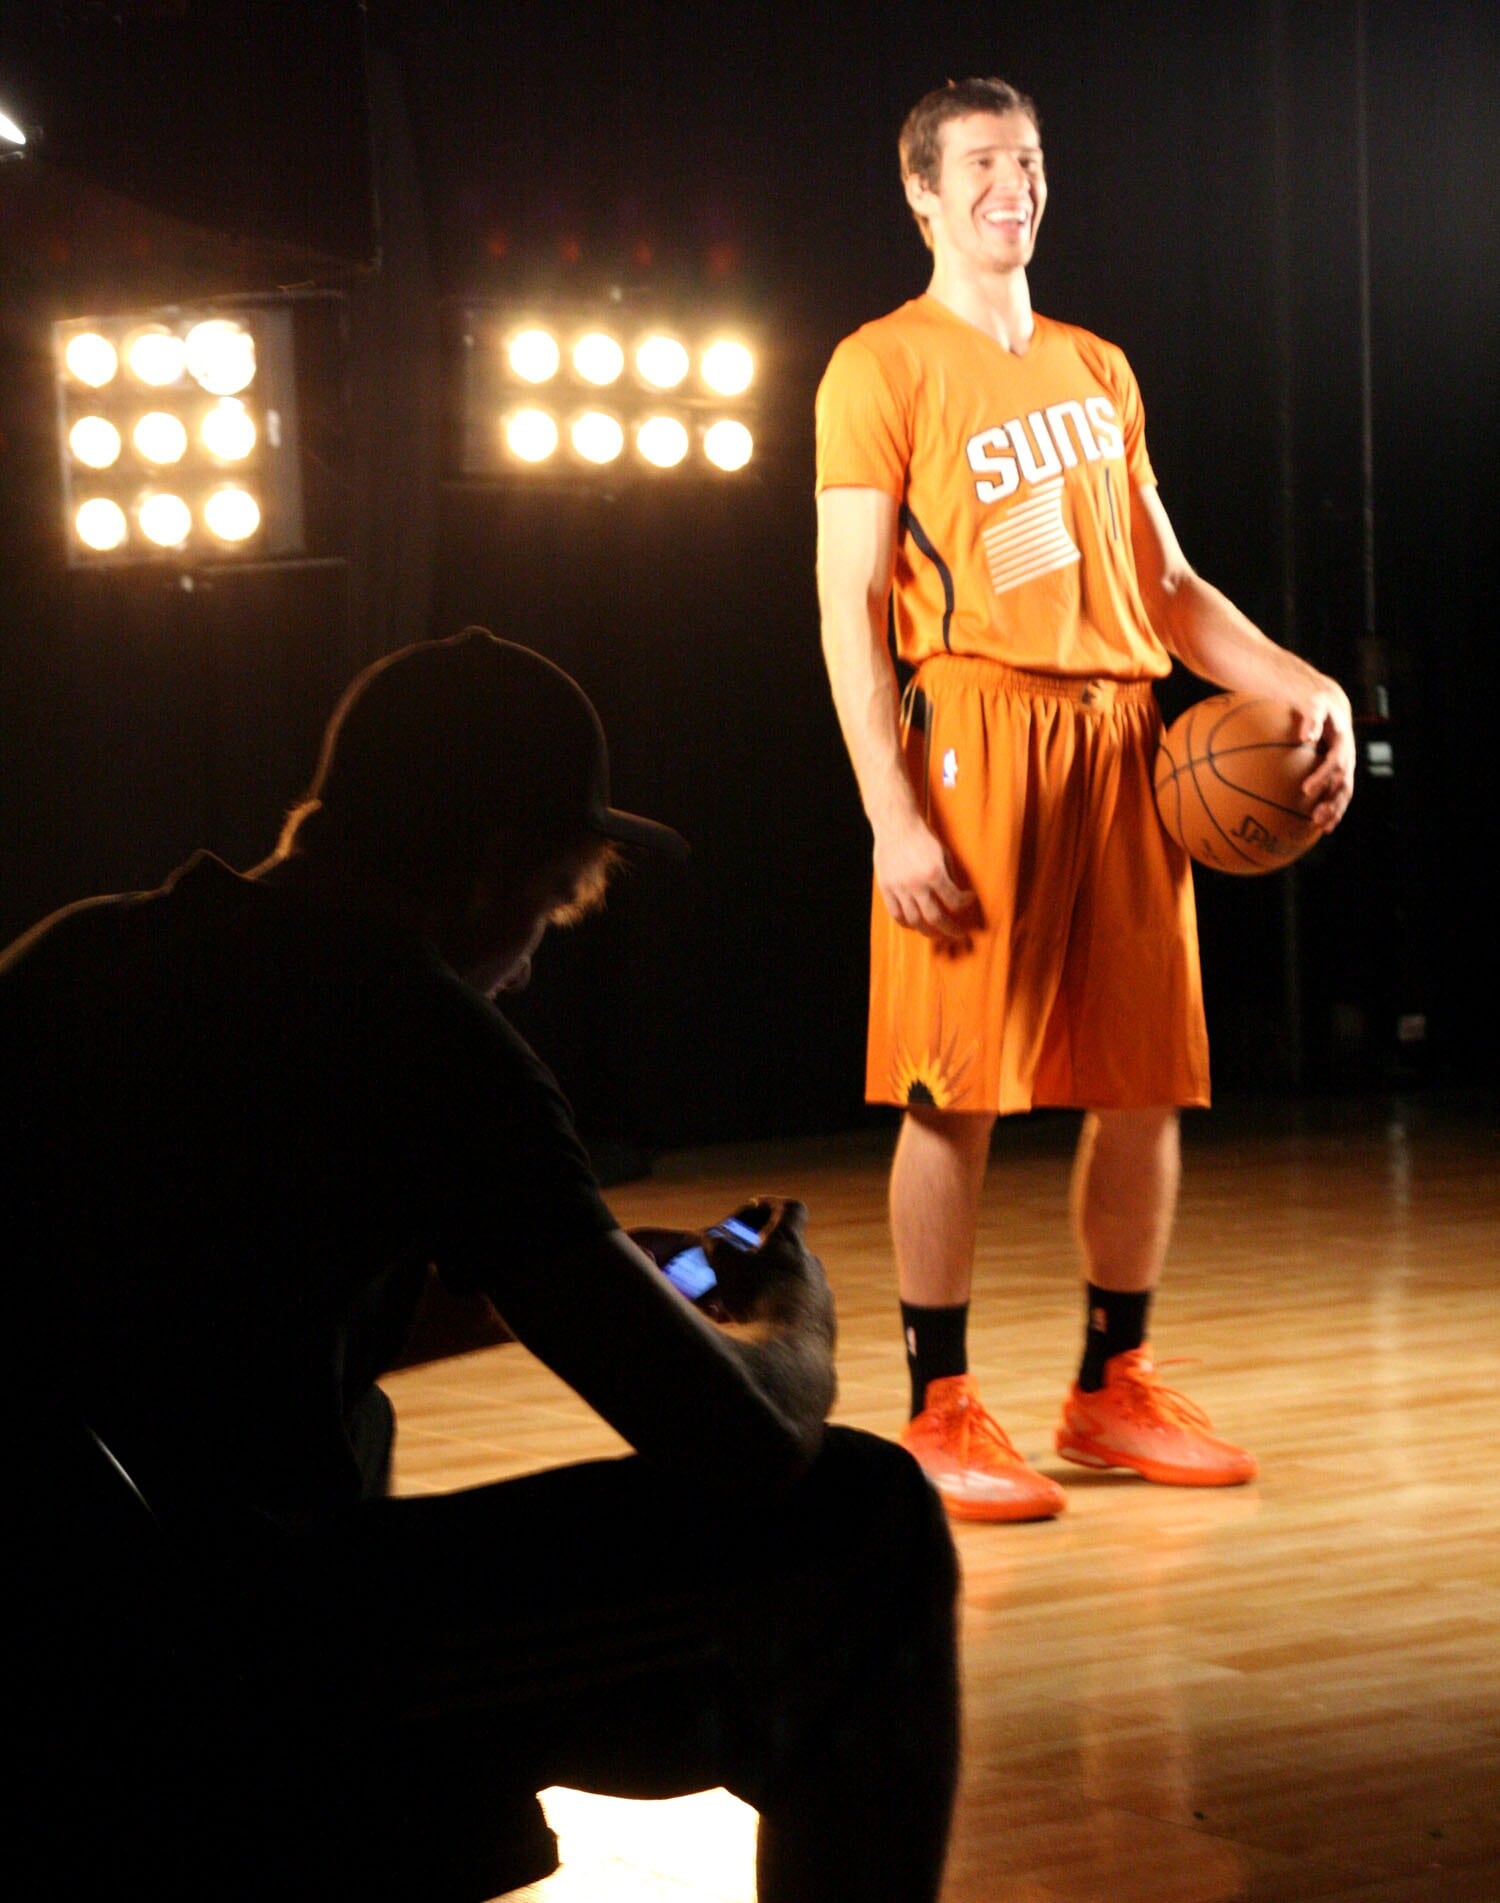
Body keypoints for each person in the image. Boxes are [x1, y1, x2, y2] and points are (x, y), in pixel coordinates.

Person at [5, 627, 959, 1901]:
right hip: (244, 1649)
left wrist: (604, 1277)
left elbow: (215, 1323)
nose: (524, 968)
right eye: (553, 905)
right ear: (491, 869)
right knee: (865, 1519)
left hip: (66, 1622)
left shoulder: (76, 954)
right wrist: (796, 1322)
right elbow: (737, 1443)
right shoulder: (422, 1028)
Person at [815, 78, 1355, 1523]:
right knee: (953, 1089)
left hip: (1122, 735)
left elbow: (1170, 591)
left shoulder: (1096, 368)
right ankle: (939, 1404)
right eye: (983, 161)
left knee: (1145, 1075)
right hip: (973, 729)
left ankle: (1111, 1385)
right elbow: (848, 607)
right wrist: (889, 807)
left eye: (1031, 158)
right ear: (922, 193)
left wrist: (1317, 690)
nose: (1014, 182)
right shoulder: (879, 365)